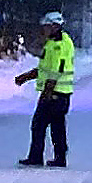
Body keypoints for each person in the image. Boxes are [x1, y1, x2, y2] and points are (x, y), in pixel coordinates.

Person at [14, 10, 76, 167]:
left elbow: (56, 71)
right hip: (60, 94)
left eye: (47, 26)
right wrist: (26, 77)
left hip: (55, 93)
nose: (44, 29)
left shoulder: (59, 45)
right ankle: (60, 158)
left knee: (39, 125)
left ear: (55, 26)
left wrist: (47, 93)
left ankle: (36, 157)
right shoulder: (55, 42)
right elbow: (45, 69)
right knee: (57, 126)